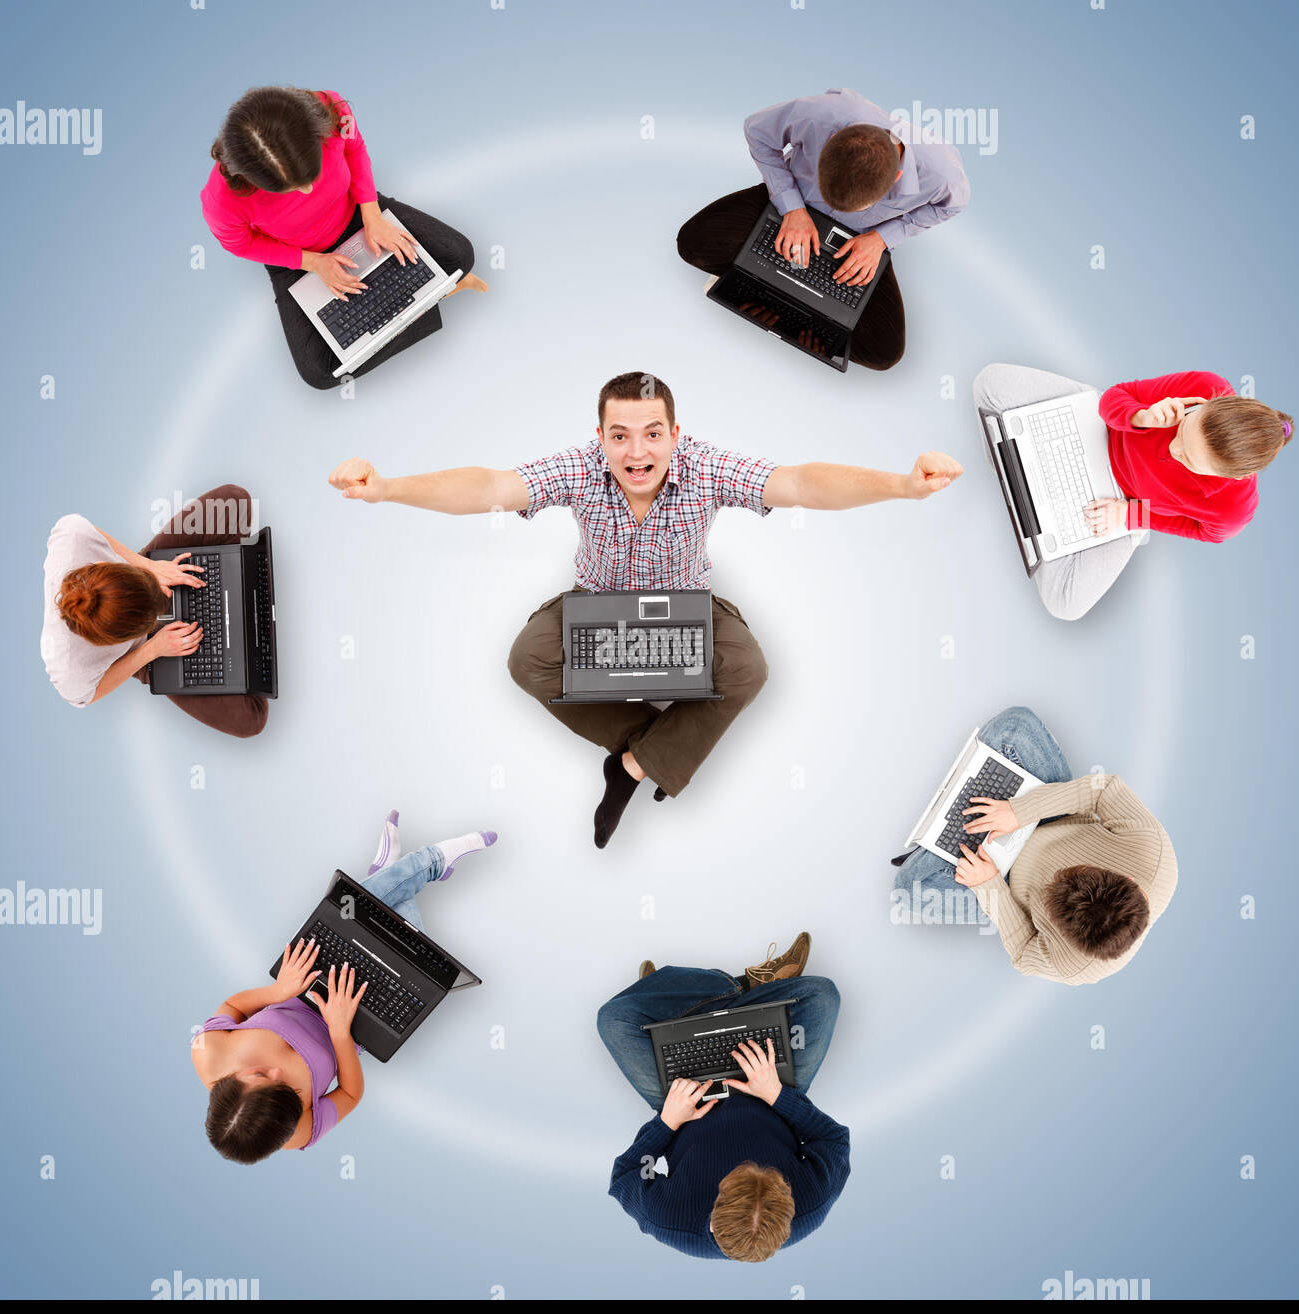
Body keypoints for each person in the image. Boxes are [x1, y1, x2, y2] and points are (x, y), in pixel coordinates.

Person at [327, 370, 963, 846]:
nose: (637, 453)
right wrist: (386, 488)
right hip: (596, 608)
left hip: (685, 612)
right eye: (620, 436)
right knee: (527, 662)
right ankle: (651, 749)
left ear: (675, 434)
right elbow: (492, 487)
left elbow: (797, 482)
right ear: (599, 437)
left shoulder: (705, 465)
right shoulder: (580, 468)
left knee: (748, 671)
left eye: (653, 434)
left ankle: (629, 765)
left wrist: (902, 485)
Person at [192, 817, 496, 1163]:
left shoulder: (207, 1052)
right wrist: (339, 1030)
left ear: (224, 1086)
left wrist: (279, 991)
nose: (276, 1071)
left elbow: (233, 1005)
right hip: (354, 1021)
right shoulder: (297, 1132)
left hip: (303, 983)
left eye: (260, 1074)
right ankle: (393, 869)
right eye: (286, 1089)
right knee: (410, 945)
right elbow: (350, 1093)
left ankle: (431, 862)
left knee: (349, 909)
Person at [201, 86, 486, 390]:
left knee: (460, 255)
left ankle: (424, 298)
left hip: (356, 214)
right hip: (296, 257)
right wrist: (314, 263)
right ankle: (434, 295)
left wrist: (372, 216)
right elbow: (241, 244)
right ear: (249, 179)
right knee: (320, 373)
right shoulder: (221, 201)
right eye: (292, 188)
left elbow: (355, 150)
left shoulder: (331, 110)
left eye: (312, 176)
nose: (308, 191)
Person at [677, 88, 969, 372]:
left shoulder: (941, 173)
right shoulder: (821, 115)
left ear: (896, 178)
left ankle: (775, 295)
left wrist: (882, 238)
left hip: (858, 241)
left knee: (884, 353)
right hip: (790, 207)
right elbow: (756, 130)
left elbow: (950, 207)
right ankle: (770, 283)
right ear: (830, 141)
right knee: (692, 245)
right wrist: (792, 207)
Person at [596, 934, 849, 1261]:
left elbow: (624, 1176)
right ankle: (691, 1000)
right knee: (821, 995)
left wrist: (668, 1121)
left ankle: (679, 1002)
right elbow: (834, 1140)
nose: (747, 1158)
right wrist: (777, 1096)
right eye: (765, 1170)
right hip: (768, 1084)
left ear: (712, 1217)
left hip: (685, 1095)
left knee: (613, 1019)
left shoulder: (670, 1220)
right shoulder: (811, 1202)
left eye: (741, 1171)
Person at [973, 365, 1291, 620]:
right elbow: (1117, 395)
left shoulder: (1234, 508)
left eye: (1189, 459)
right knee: (990, 383)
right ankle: (1019, 474)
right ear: (1208, 403)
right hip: (1101, 430)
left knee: (1065, 605)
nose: (1172, 446)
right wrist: (1141, 416)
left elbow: (1205, 532)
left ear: (1232, 476)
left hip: (1122, 505)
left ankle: (1015, 469)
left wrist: (1130, 516)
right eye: (1184, 429)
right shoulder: (1205, 385)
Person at [891, 707, 1178, 985]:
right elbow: (1102, 790)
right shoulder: (1154, 854)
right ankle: (949, 840)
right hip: (1051, 817)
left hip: (1005, 883)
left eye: (1051, 892)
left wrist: (989, 886)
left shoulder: (1076, 967)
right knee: (1016, 725)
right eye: (1069, 872)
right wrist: (1021, 811)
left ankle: (951, 838)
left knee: (907, 892)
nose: (1053, 876)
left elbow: (1024, 951)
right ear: (1127, 877)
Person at [41, 485, 267, 738]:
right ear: (114, 639)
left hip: (149, 570)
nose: (164, 609)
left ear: (105, 565)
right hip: (146, 650)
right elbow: (91, 693)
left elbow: (92, 532)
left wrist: (149, 567)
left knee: (235, 502)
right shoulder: (70, 671)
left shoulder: (72, 539)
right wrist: (153, 649)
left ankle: (226, 569)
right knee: (251, 720)